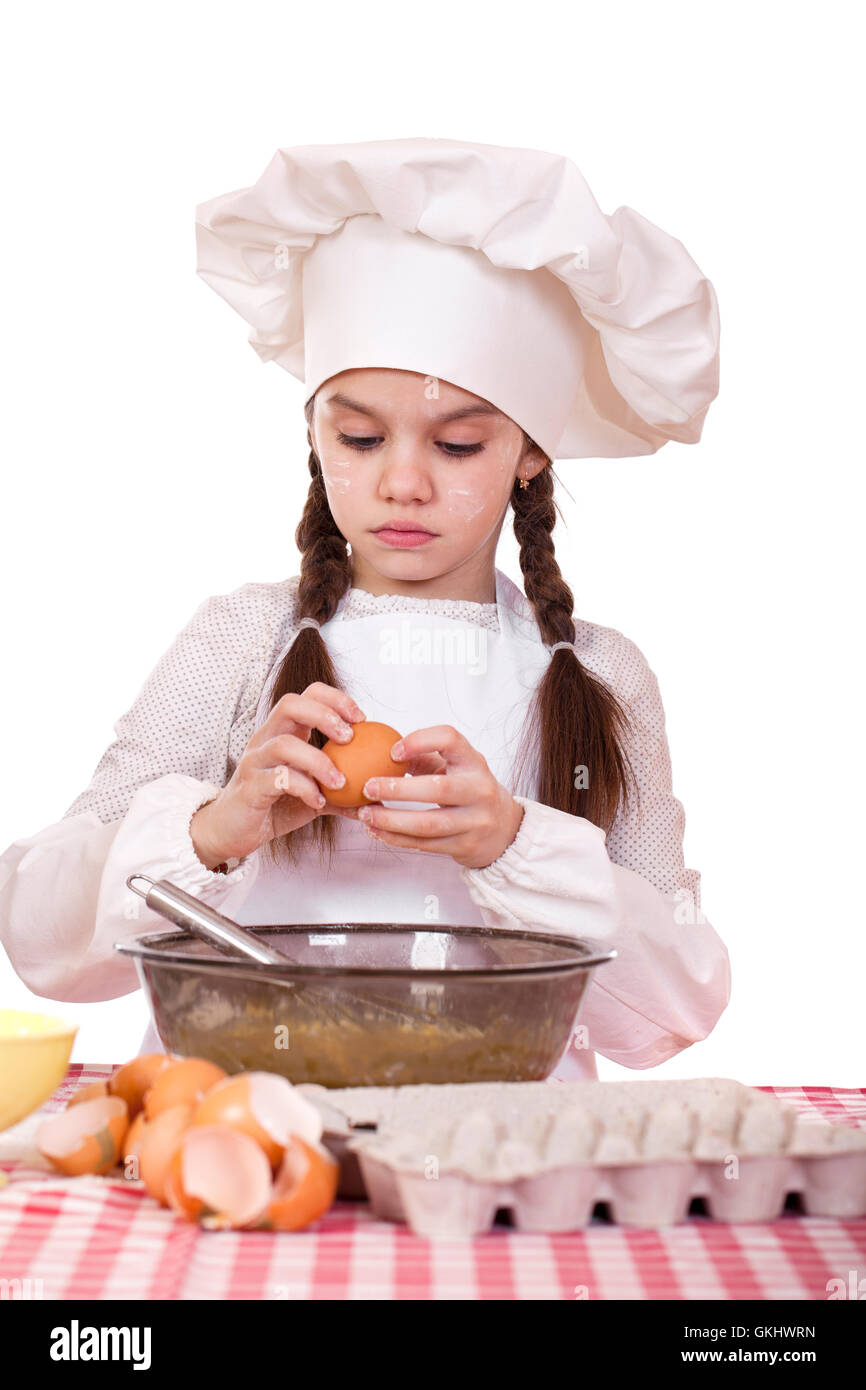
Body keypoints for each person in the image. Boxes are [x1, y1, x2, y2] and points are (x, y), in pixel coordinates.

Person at [0, 137, 730, 1079]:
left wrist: (516, 846)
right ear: (314, 430)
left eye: (459, 444)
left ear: (531, 453)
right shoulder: (239, 643)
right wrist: (213, 830)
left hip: (497, 1151)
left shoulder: (598, 675)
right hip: (252, 1136)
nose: (403, 484)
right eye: (359, 435)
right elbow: (36, 934)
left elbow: (675, 1010)